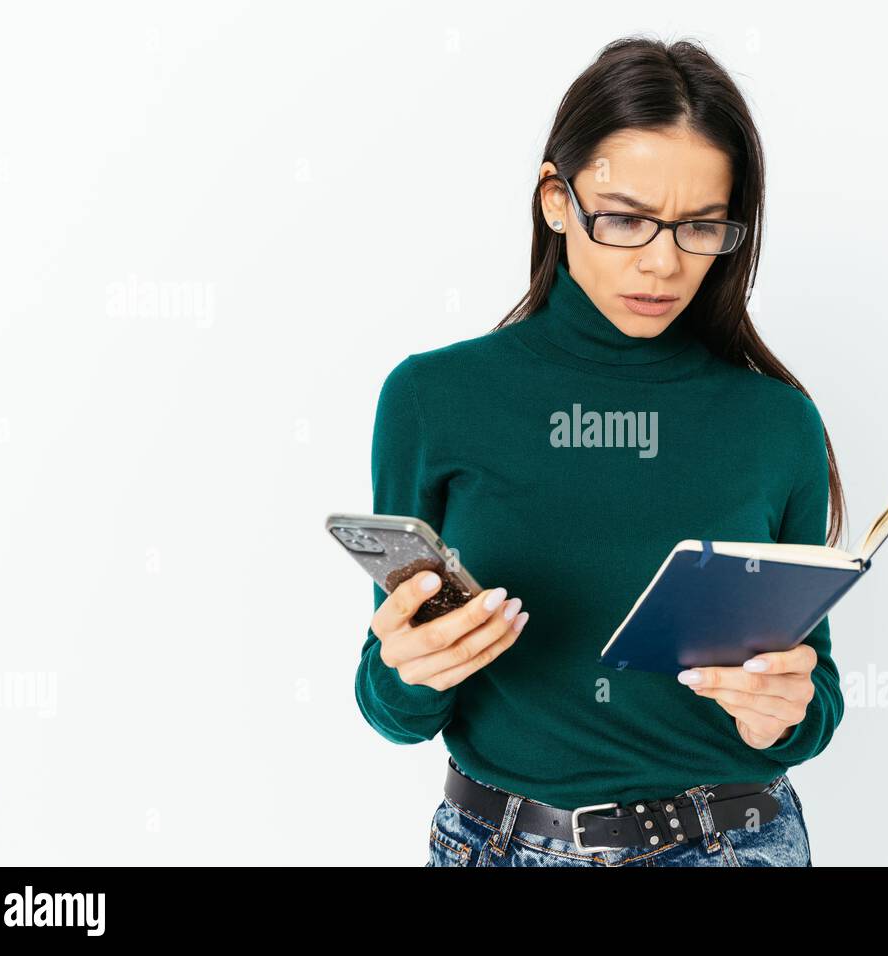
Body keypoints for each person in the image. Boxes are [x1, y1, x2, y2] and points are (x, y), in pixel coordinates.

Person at [355, 35, 848, 867]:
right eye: (624, 219)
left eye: (700, 228)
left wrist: (785, 712)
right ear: (555, 197)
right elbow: (390, 703)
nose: (662, 263)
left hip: (729, 844)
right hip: (493, 843)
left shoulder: (777, 422)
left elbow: (815, 697)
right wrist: (409, 672)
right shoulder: (432, 400)